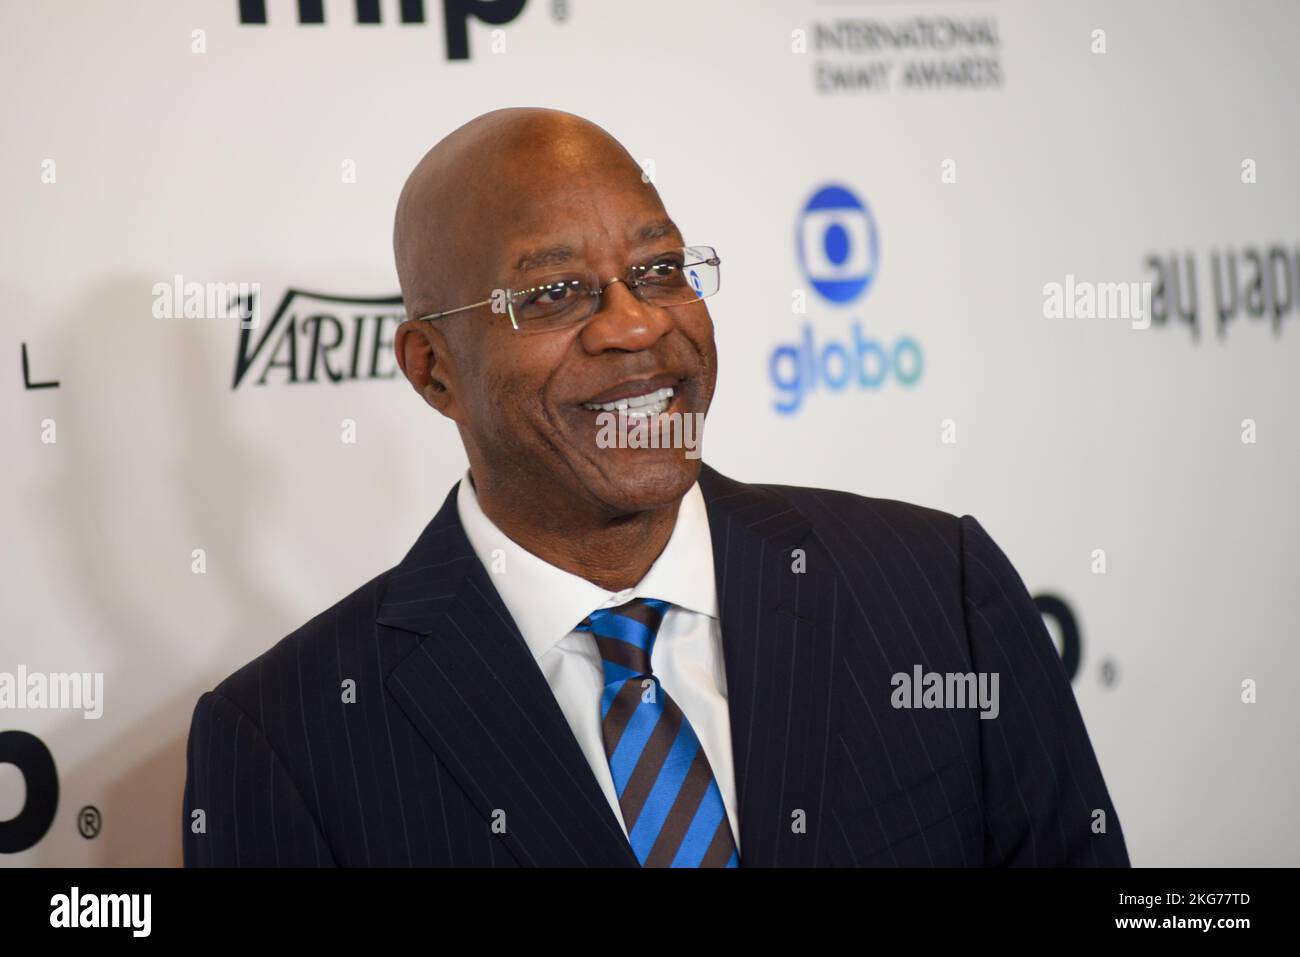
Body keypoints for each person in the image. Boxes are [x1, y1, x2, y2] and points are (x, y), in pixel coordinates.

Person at [182, 107, 1129, 867]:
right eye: (555, 293)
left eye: (659, 270)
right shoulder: (285, 739)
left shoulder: (935, 591)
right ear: (434, 371)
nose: (636, 328)